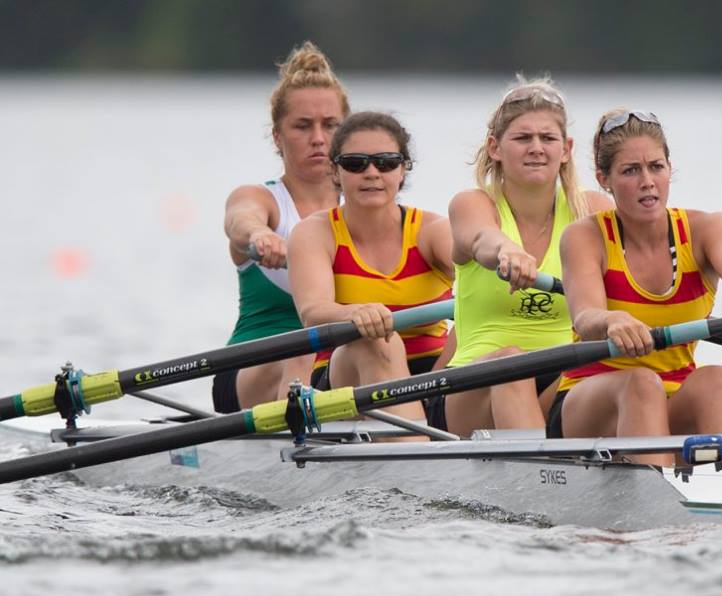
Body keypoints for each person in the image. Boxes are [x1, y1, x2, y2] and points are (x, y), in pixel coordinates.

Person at [548, 109, 722, 465]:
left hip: (672, 396)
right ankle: (661, 503)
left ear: (670, 169)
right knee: (641, 384)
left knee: (716, 379)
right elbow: (585, 315)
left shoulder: (708, 229)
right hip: (589, 401)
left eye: (656, 167)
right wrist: (611, 321)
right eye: (630, 171)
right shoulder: (585, 236)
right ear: (604, 179)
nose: (647, 181)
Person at [430, 77, 612, 437]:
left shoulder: (592, 210)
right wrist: (507, 251)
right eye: (523, 138)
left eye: (547, 139)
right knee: (513, 363)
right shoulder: (473, 204)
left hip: (558, 380)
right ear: (495, 147)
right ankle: (547, 479)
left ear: (566, 149)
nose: (536, 148)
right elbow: (481, 237)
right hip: (471, 385)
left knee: (622, 372)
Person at [288, 111, 454, 422]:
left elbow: (479, 292)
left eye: (386, 162)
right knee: (377, 343)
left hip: (435, 372)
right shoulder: (315, 233)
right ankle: (419, 454)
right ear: (335, 171)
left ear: (402, 170)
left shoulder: (432, 230)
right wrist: (354, 313)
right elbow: (313, 310)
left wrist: (441, 375)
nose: (372, 172)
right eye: (355, 163)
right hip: (346, 371)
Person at [212, 41, 349, 413]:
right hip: (252, 369)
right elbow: (241, 220)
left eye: (330, 125)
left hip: (332, 372)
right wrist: (260, 236)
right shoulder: (265, 202)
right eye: (303, 126)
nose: (319, 138)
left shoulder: (366, 211)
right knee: (302, 346)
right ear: (277, 136)